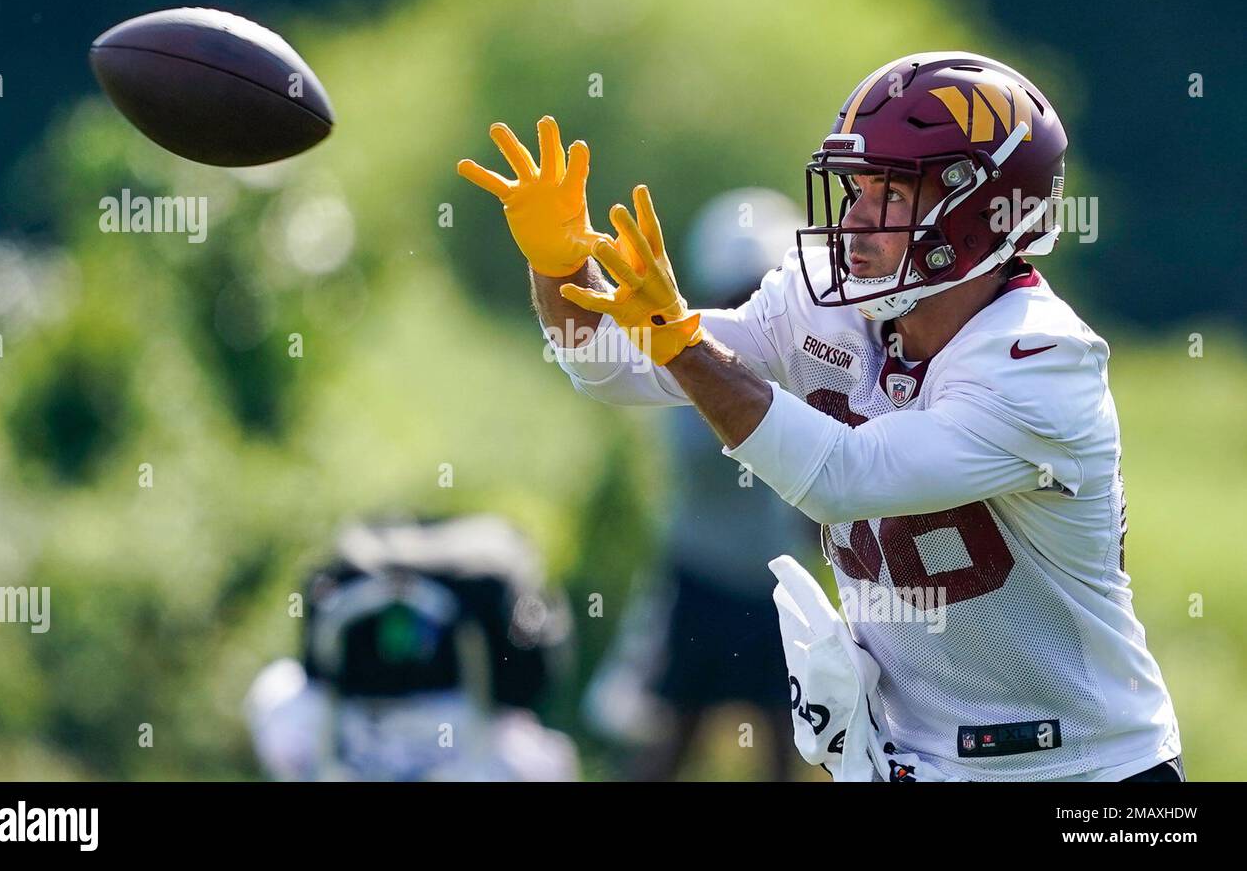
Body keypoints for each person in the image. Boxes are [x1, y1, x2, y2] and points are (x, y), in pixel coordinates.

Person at [457, 51, 1183, 781]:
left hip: (1085, 771)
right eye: (855, 188)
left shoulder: (1040, 359)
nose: (856, 220)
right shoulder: (826, 305)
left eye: (891, 193)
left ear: (977, 211)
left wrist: (676, 338)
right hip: (908, 765)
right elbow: (611, 366)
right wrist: (559, 264)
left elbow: (841, 476)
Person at [581, 190, 815, 781]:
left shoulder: (784, 360)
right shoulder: (697, 360)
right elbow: (718, 455)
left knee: (790, 737)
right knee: (676, 731)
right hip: (706, 576)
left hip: (772, 579)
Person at [245, 514, 577, 781]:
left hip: (353, 741)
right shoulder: (489, 596)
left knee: (278, 690)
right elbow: (533, 682)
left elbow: (308, 676)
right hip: (465, 745)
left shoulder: (350, 580)